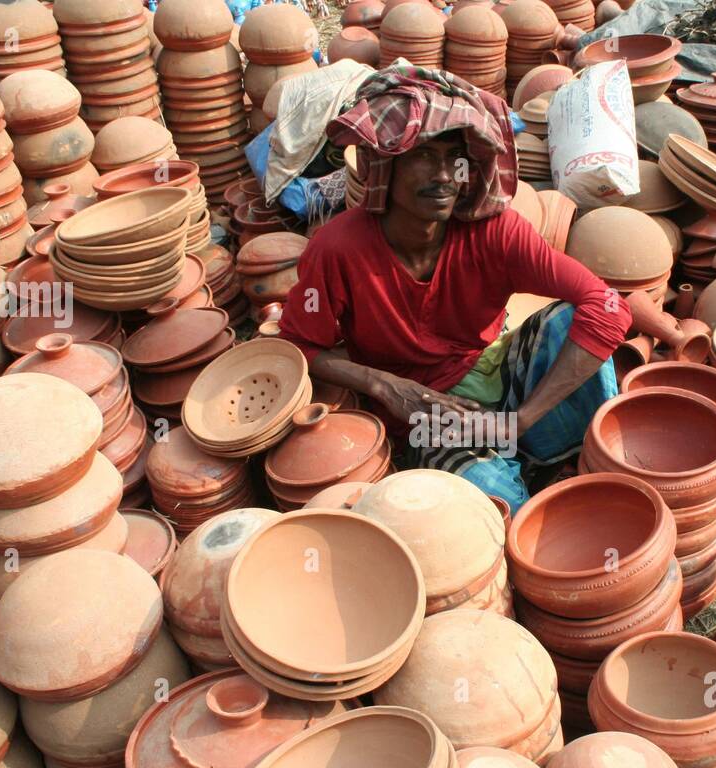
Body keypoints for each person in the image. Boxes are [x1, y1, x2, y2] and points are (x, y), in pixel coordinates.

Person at [278, 66, 687, 508]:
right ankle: (518, 482)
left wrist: (519, 421)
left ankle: (568, 456)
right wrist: (383, 386)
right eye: (422, 156)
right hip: (426, 413)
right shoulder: (338, 248)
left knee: (571, 319)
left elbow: (607, 304)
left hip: (496, 378)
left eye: (454, 158)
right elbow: (299, 345)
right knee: (493, 505)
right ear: (384, 165)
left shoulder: (495, 231)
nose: (444, 176)